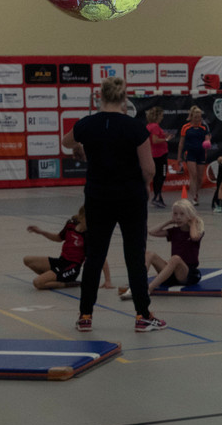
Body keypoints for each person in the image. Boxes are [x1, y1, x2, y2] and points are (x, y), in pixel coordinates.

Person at [64, 76, 163, 332]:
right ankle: (143, 315)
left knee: (95, 256)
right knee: (134, 257)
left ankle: (85, 315)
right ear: (124, 99)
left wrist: (81, 146)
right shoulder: (135, 127)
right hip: (131, 199)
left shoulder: (87, 124)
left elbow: (66, 142)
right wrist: (146, 187)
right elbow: (149, 168)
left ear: (100, 96)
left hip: (98, 198)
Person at [125, 200, 204, 297]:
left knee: (175, 258)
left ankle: (149, 289)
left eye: (182, 214)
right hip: (172, 274)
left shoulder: (198, 230)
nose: (178, 217)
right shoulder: (174, 231)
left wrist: (193, 222)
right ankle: (138, 285)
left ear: (190, 216)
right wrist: (169, 222)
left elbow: (194, 237)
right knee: (150, 254)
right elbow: (152, 232)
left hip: (187, 274)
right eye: (175, 214)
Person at [23, 207, 111, 290]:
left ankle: (66, 283)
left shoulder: (89, 235)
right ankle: (54, 277)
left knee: (37, 283)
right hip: (61, 261)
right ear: (81, 218)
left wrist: (107, 280)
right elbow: (58, 238)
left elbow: (101, 256)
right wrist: (41, 232)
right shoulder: (70, 225)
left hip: (72, 268)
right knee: (27, 260)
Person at [177, 105, 211, 205]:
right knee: (193, 175)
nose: (198, 119)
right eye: (196, 117)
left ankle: (196, 192)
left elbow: (207, 138)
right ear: (191, 117)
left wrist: (208, 141)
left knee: (200, 178)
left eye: (199, 117)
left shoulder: (204, 127)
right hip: (190, 153)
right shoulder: (185, 127)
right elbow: (181, 143)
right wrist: (179, 157)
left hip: (201, 153)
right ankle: (194, 197)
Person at [144, 106, 170, 208]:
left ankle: (157, 196)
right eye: (161, 116)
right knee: (161, 176)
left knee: (157, 177)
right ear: (157, 116)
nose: (162, 118)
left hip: (154, 154)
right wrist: (166, 139)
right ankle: (157, 196)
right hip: (160, 155)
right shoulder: (154, 126)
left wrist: (163, 136)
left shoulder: (149, 126)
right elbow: (154, 140)